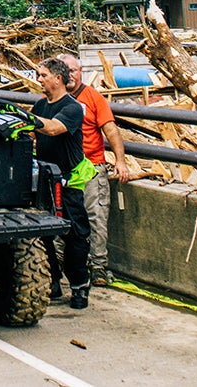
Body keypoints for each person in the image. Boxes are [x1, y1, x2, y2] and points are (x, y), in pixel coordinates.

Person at [60, 53, 134, 287]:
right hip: (65, 169)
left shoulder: (93, 98)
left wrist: (120, 161)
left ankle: (99, 266)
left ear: (80, 71)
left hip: (91, 166)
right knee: (60, 218)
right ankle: (60, 264)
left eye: (73, 70)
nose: (69, 75)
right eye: (64, 71)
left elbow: (111, 131)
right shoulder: (52, 99)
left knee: (96, 216)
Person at [29, 57, 91, 309]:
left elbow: (54, 129)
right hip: (44, 178)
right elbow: (31, 133)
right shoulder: (41, 105)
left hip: (68, 181)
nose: (39, 79)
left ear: (57, 78)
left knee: (75, 235)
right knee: (43, 234)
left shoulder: (73, 107)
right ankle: (52, 281)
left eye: (43, 75)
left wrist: (26, 119)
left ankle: (79, 286)